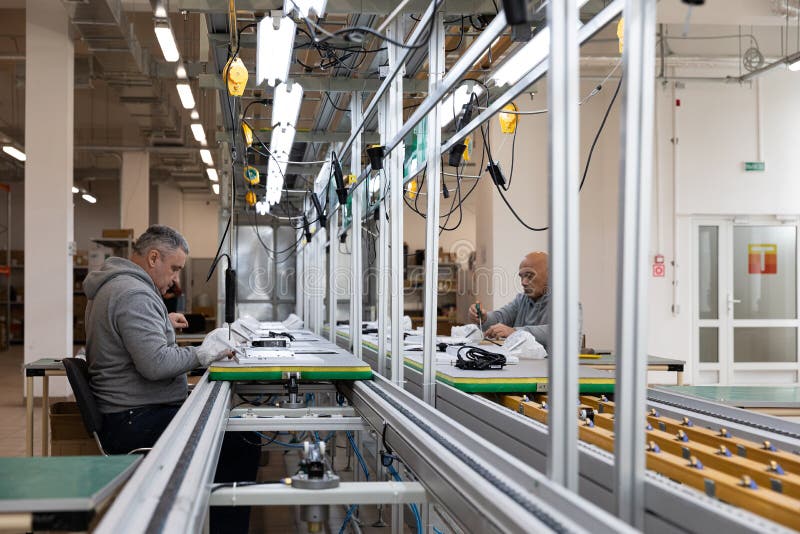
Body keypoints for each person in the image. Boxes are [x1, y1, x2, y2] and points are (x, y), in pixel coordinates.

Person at [83, 225, 258, 533]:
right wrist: (205, 353)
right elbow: (156, 364)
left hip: (130, 411)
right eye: (174, 269)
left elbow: (128, 338)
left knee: (229, 426)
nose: (176, 279)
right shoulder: (134, 293)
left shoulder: (116, 286)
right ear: (153, 258)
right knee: (242, 439)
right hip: (134, 420)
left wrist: (160, 321)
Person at [469, 251, 555, 350]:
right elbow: (502, 316)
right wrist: (484, 317)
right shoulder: (522, 299)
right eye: (521, 277)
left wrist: (515, 332)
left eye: (530, 276)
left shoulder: (564, 302)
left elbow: (559, 331)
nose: (523, 282)